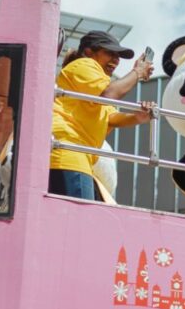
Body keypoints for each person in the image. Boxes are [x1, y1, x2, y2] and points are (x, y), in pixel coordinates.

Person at [50, 31, 155, 200]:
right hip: (69, 155)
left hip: (74, 156)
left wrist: (138, 117)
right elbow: (109, 94)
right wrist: (137, 72)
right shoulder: (84, 64)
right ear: (89, 51)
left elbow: (111, 118)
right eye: (110, 53)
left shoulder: (95, 83)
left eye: (118, 55)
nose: (116, 60)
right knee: (78, 223)